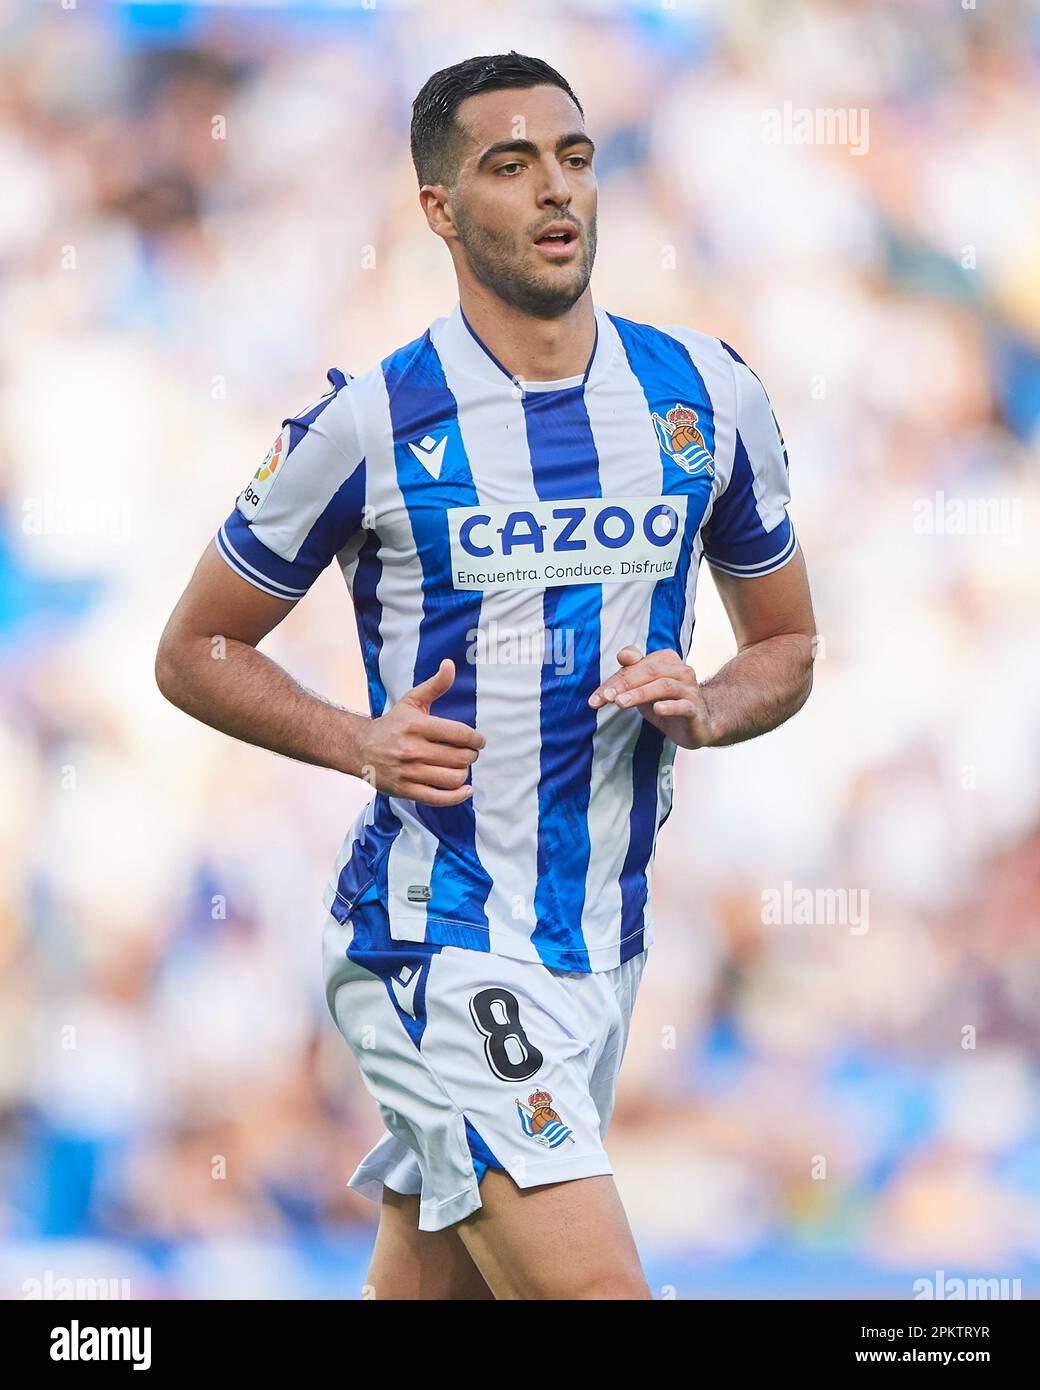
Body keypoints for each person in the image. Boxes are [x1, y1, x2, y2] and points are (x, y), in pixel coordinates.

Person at [155, 51, 816, 1300]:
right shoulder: (370, 422)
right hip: (437, 938)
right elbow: (193, 648)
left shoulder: (704, 396)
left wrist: (708, 704)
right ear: (440, 209)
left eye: (571, 156)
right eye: (508, 166)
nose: (554, 189)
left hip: (601, 947)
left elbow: (784, 640)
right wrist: (357, 740)